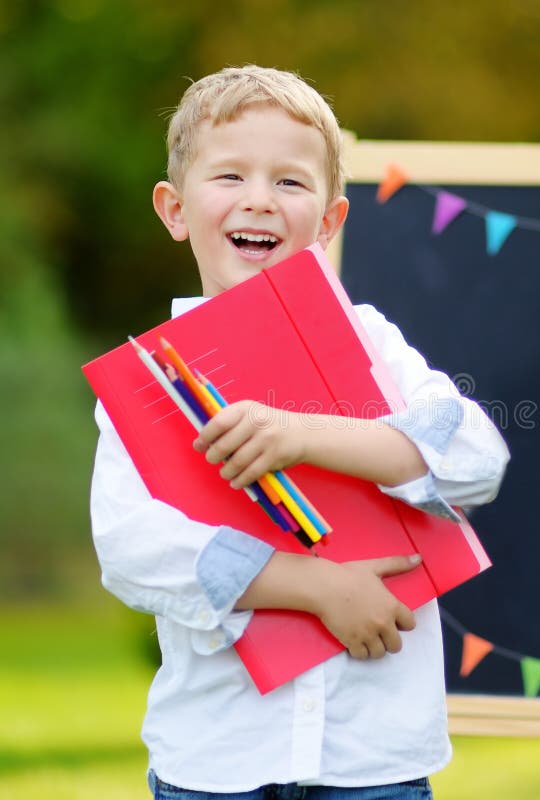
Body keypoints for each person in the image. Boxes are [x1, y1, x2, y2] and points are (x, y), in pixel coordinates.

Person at [90, 64, 509, 800]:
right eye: (230, 176)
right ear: (175, 208)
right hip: (216, 758)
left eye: (289, 181)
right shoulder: (150, 382)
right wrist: (316, 588)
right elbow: (133, 548)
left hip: (372, 758)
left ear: (329, 220)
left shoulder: (373, 344)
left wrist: (302, 435)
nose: (259, 199)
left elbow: (475, 456)